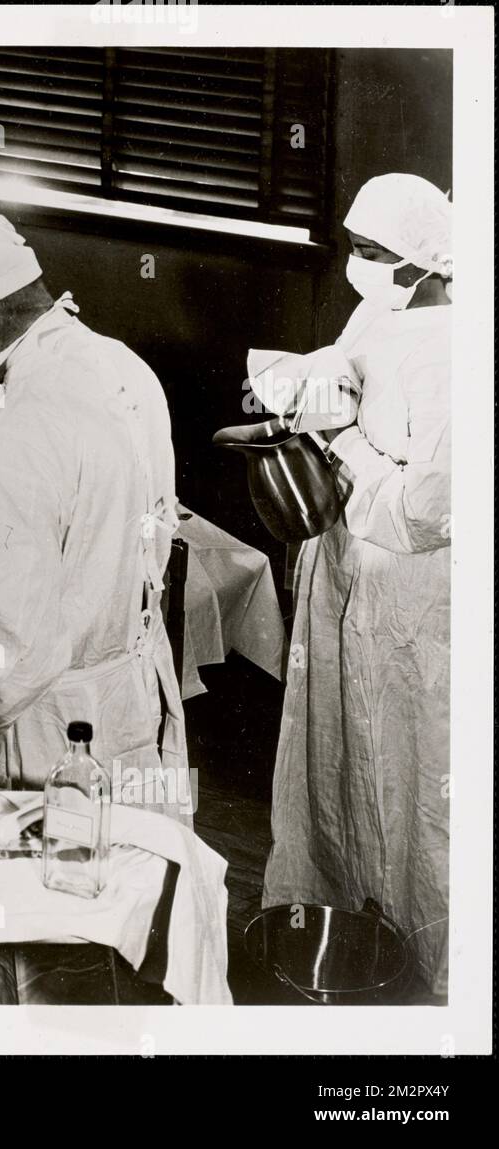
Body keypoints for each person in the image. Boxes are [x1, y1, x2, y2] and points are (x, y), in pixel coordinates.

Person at [0, 208, 190, 819]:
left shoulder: (27, 428)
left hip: (51, 731)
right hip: (130, 694)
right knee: (132, 887)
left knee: (59, 889)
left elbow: (12, 651)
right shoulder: (123, 368)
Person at [263, 173, 452, 996]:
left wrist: (341, 448)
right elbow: (341, 372)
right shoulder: (385, 308)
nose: (357, 269)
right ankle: (336, 917)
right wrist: (289, 389)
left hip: (413, 601)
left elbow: (427, 512)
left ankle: (427, 966)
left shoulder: (457, 351)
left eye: (373, 254)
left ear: (420, 260)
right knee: (336, 765)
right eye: (354, 249)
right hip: (345, 578)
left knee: (408, 785)